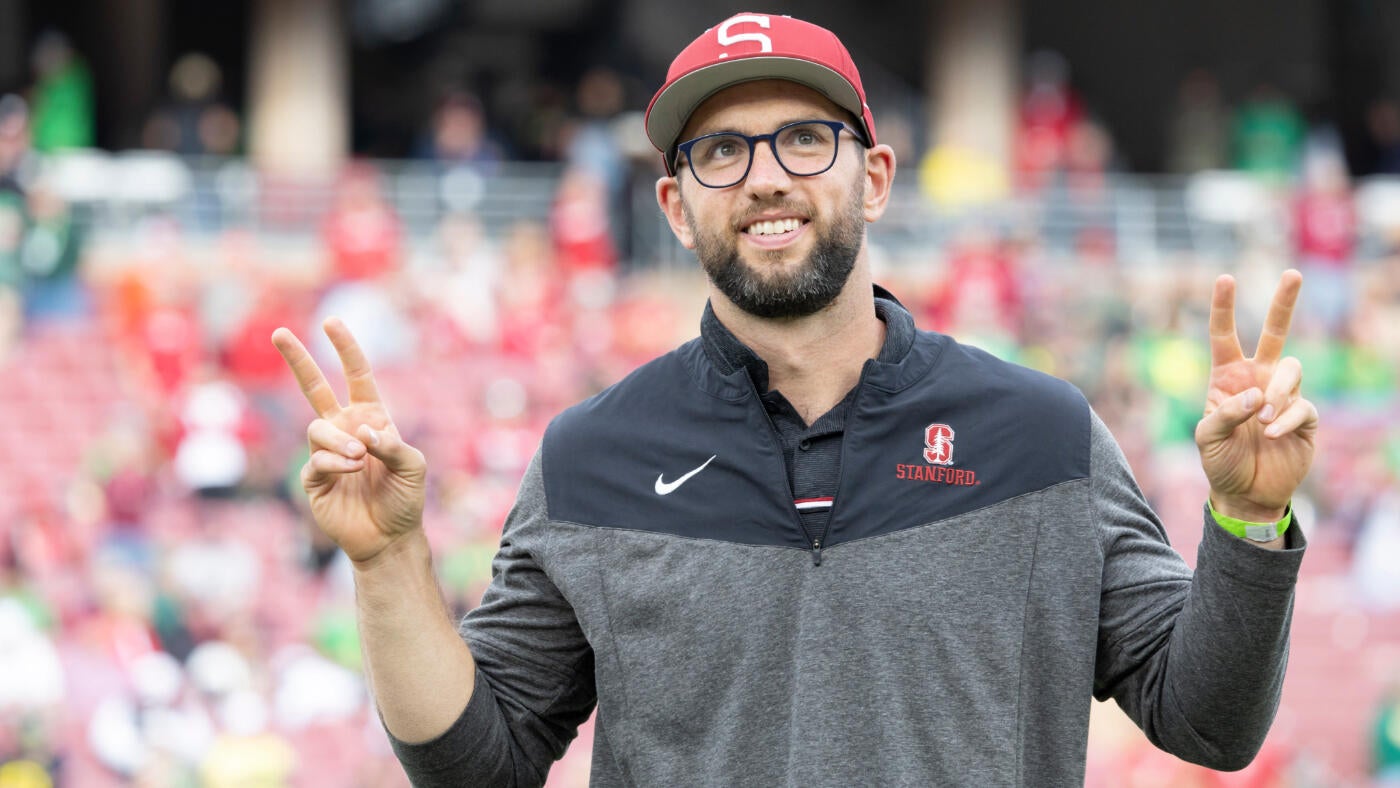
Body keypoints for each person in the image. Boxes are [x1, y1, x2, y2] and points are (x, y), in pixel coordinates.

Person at [271, 13, 1315, 787]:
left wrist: (1246, 517)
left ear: (872, 178)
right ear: (677, 208)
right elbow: (473, 765)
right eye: (720, 151)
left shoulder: (1040, 434)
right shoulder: (591, 454)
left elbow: (1207, 722)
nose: (764, 176)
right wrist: (385, 559)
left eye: (803, 140)